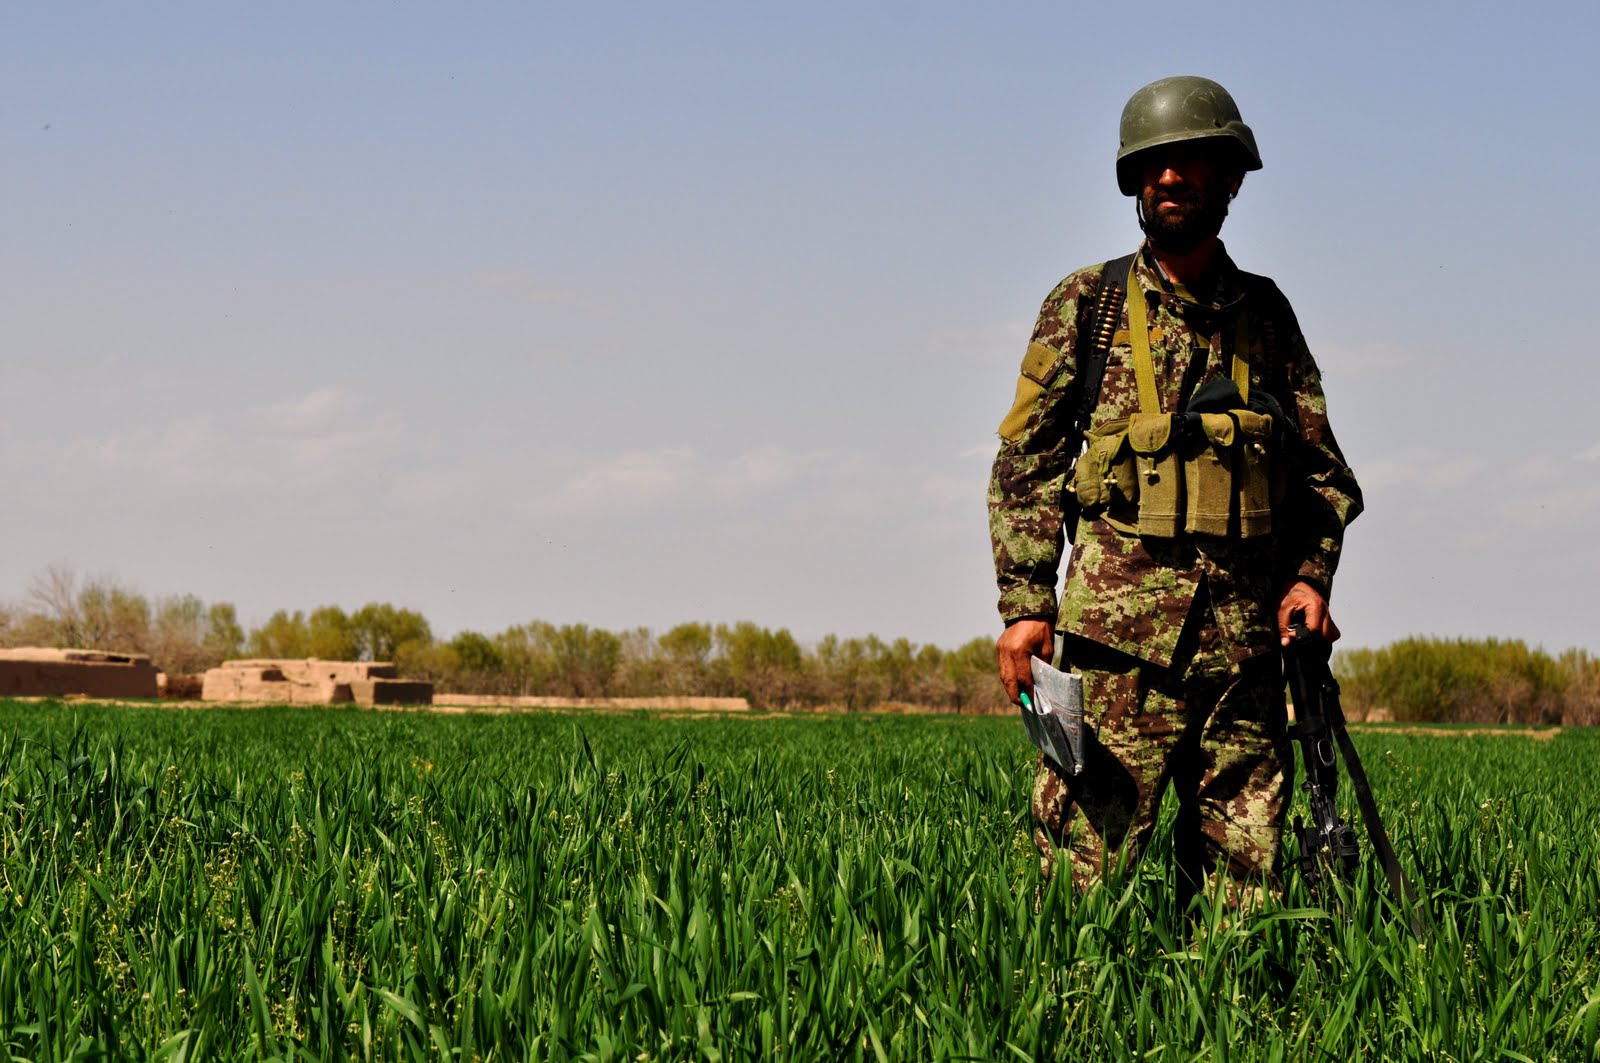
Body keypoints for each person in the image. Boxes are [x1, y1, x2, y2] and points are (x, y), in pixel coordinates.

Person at [987, 75, 1363, 907]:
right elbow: (1026, 466)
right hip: (1118, 655)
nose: (1170, 177)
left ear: (1229, 177)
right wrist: (1024, 602)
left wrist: (1310, 577)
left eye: (1191, 160)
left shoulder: (1267, 319)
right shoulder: (1086, 308)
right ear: (1133, 180)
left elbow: (1323, 476)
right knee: (1077, 888)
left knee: (1246, 896)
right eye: (1153, 163)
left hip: (1245, 659)